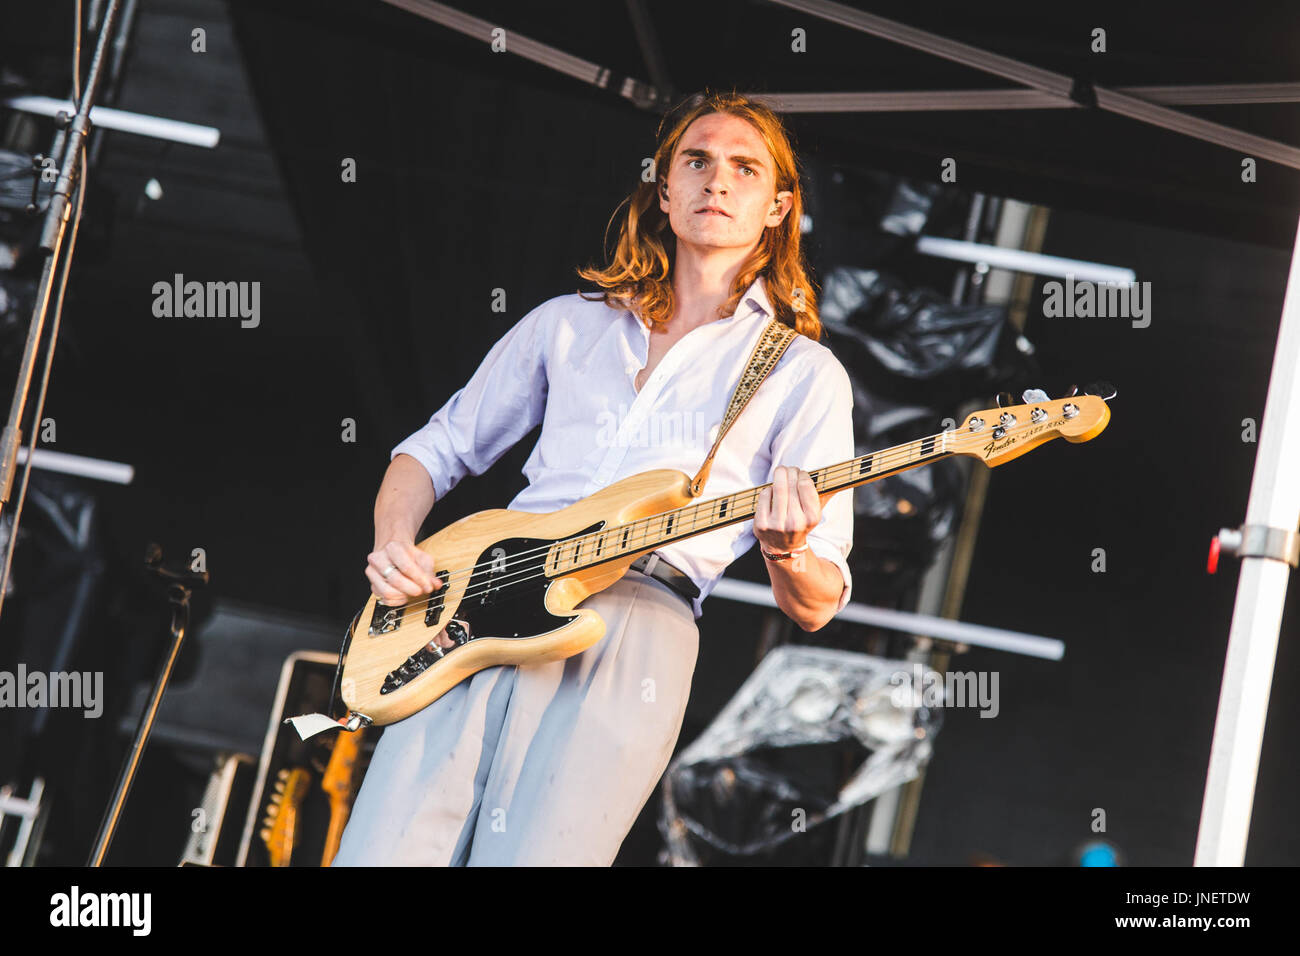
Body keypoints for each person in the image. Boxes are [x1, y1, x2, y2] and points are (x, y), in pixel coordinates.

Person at [332, 90, 856, 866]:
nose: (717, 181)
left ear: (778, 206)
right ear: (664, 183)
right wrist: (393, 543)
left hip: (637, 622)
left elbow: (818, 600)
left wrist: (787, 550)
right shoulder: (568, 321)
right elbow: (432, 449)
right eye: (697, 160)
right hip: (476, 599)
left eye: (744, 169)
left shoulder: (803, 373)